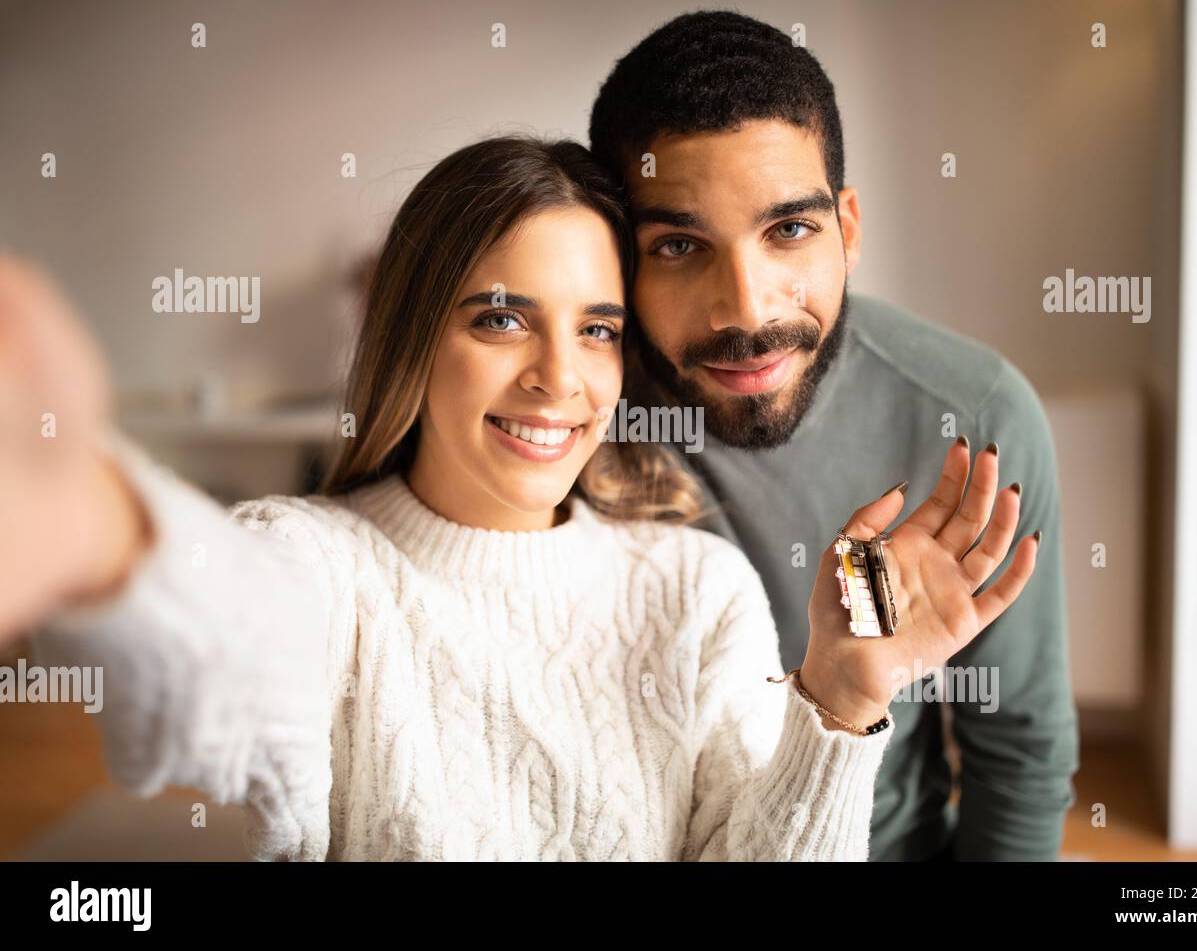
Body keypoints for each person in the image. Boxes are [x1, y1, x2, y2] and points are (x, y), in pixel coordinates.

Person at [0, 136, 1039, 861]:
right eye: (500, 320)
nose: (560, 376)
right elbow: (226, 645)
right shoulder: (319, 562)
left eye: (595, 328)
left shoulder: (695, 584)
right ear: (416, 333)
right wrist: (94, 522)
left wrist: (842, 699)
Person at [587, 10, 1079, 861]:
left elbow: (1020, 758)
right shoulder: (559, 415)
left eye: (789, 230)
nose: (746, 309)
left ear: (847, 230)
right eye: (677, 244)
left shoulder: (975, 417)